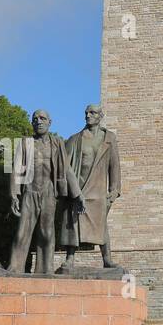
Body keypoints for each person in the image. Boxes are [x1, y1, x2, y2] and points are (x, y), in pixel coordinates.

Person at [9, 109, 84, 275]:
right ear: (32, 123)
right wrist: (14, 194)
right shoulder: (25, 142)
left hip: (49, 191)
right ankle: (15, 267)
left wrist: (77, 194)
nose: (39, 121)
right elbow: (16, 169)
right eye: (35, 119)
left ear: (50, 122)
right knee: (23, 231)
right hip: (30, 190)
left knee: (47, 232)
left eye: (42, 118)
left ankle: (44, 270)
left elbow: (67, 169)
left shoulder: (57, 143)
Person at [59, 104, 121, 269]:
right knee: (73, 223)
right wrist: (72, 190)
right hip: (79, 188)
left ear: (100, 116)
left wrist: (114, 190)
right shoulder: (75, 139)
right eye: (86, 113)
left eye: (92, 112)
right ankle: (70, 258)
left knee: (101, 225)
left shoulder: (109, 138)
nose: (88, 115)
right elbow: (64, 167)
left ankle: (107, 259)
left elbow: (114, 165)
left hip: (98, 189)